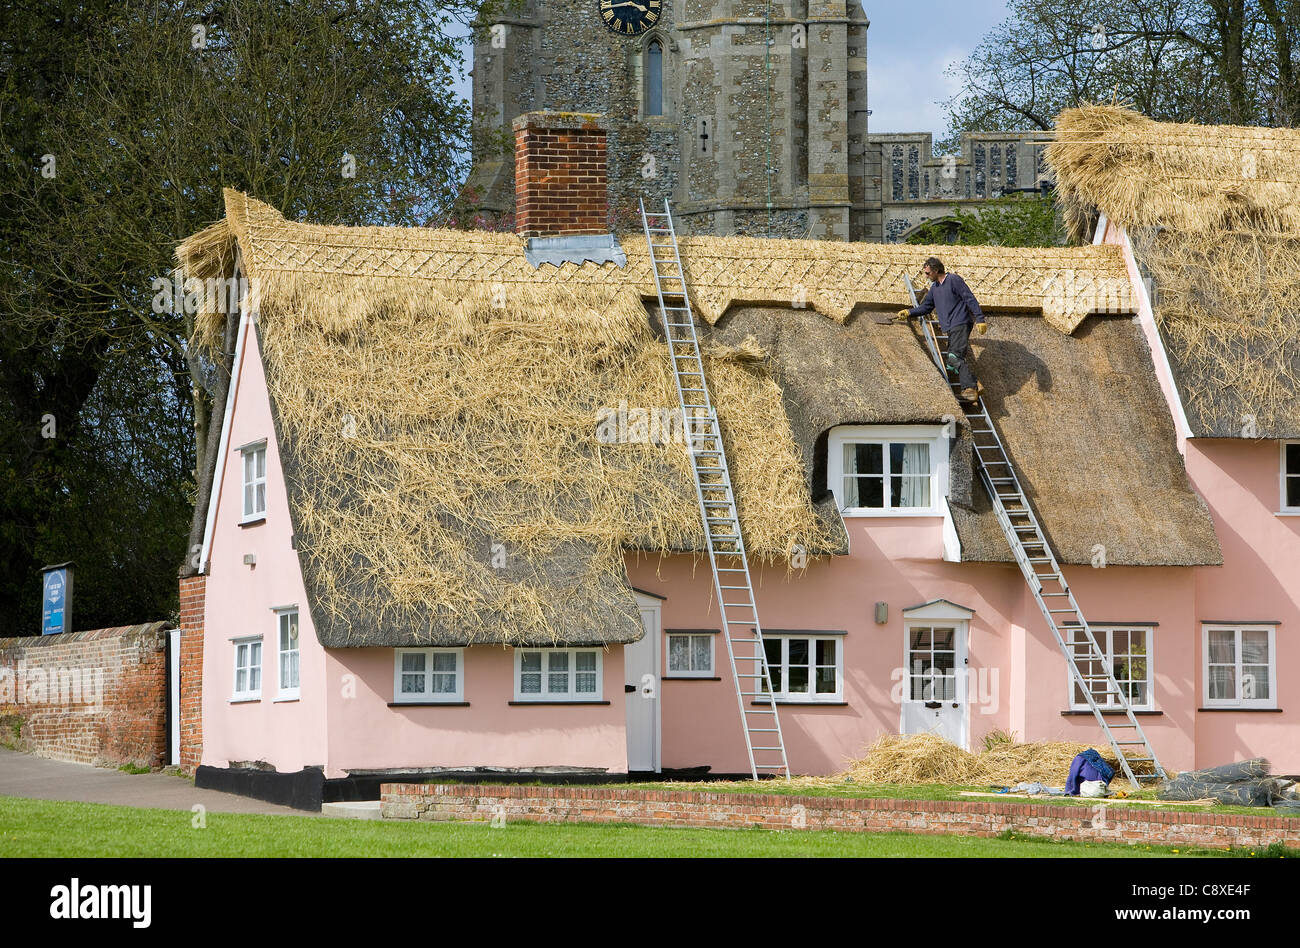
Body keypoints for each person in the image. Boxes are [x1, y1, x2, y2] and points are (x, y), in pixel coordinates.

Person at [897, 257, 989, 402]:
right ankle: (975, 384)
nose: (926, 276)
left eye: (927, 273)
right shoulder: (935, 289)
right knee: (951, 363)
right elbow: (926, 307)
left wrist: (980, 318)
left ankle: (970, 389)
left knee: (954, 357)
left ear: (936, 270)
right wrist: (909, 312)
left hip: (961, 322)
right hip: (950, 327)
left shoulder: (953, 280)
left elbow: (969, 298)